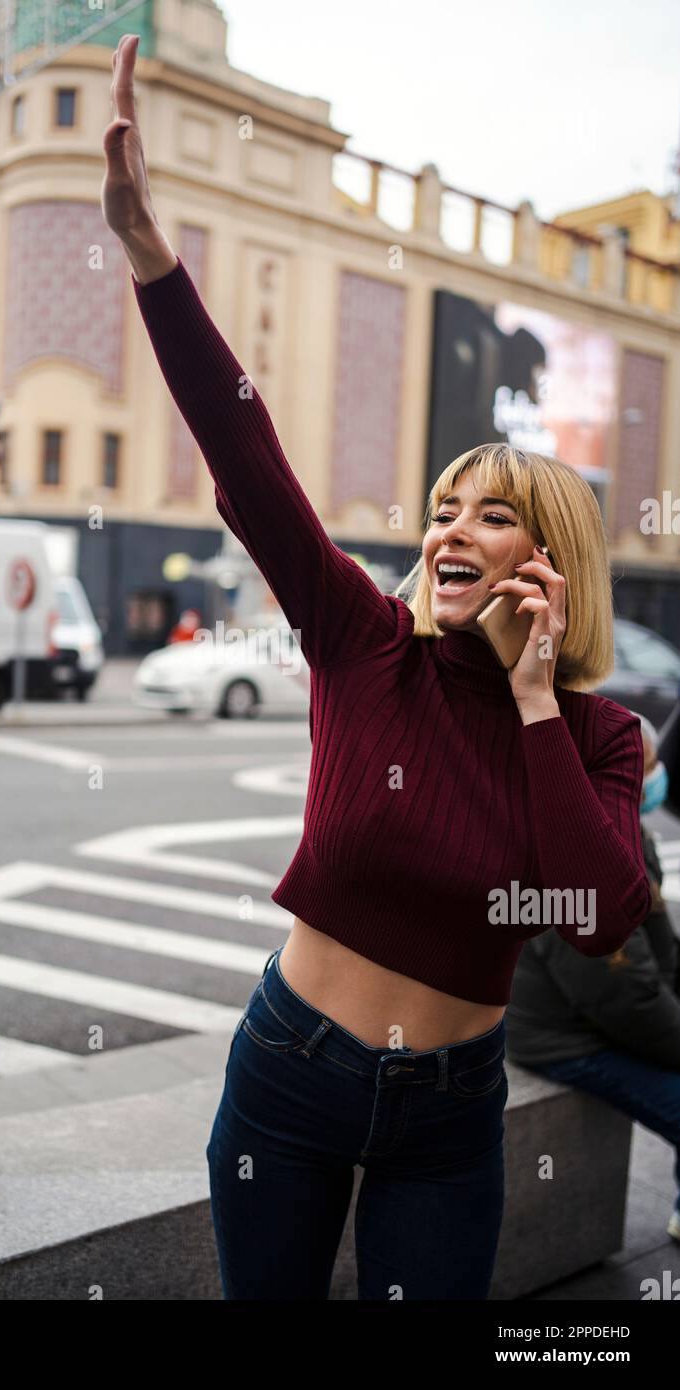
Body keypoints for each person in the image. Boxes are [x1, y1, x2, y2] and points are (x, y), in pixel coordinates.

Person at [101, 33, 652, 1300]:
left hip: (448, 1117)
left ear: (548, 555)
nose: (449, 529)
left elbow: (594, 913)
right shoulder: (362, 640)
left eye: (489, 513)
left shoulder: (597, 739)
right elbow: (252, 464)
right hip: (290, 1074)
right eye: (443, 507)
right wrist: (151, 260)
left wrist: (529, 706)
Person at [505, 713, 680, 1242]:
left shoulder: (625, 829)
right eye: (643, 770)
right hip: (562, 1038)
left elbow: (658, 944)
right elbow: (623, 999)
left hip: (602, 1012)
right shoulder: (575, 856)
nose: (654, 781)